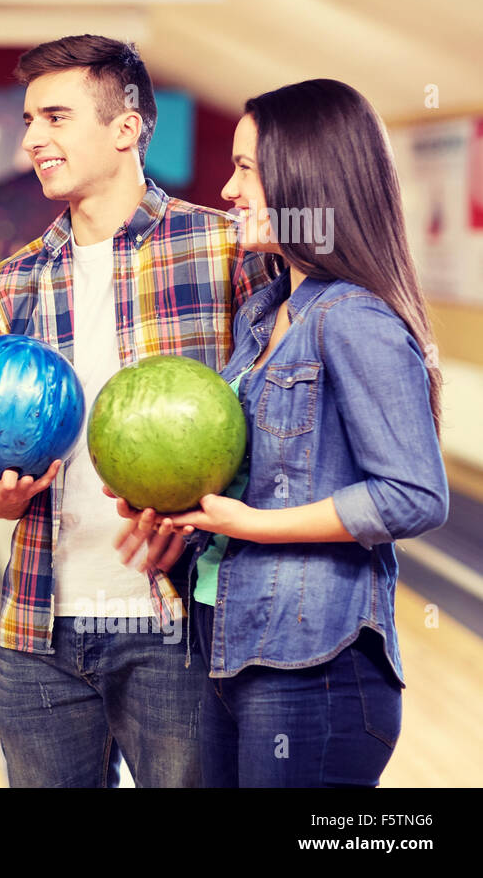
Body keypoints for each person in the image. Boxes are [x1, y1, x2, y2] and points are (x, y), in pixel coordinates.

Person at [0, 34, 281, 787]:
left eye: (55, 117)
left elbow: (278, 422)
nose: (33, 138)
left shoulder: (228, 249)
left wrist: (202, 506)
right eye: (28, 120)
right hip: (40, 626)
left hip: (179, 626)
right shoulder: (8, 286)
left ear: (127, 127)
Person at [114, 79, 448, 787]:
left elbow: (415, 494)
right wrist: (182, 516)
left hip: (313, 668)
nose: (230, 190)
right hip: (223, 644)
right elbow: (261, 478)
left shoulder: (352, 319)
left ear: (307, 178)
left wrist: (253, 525)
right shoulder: (263, 313)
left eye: (246, 169)